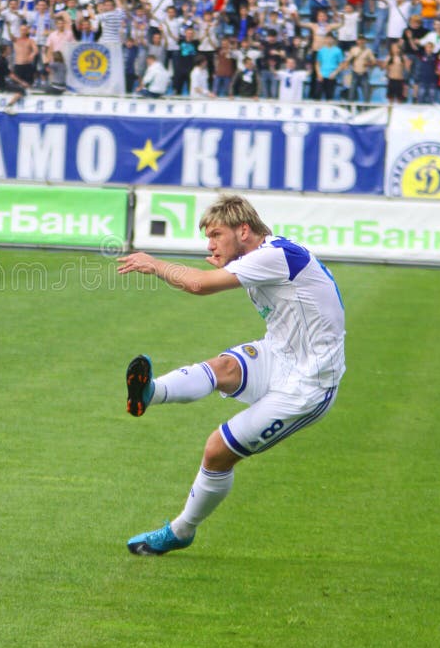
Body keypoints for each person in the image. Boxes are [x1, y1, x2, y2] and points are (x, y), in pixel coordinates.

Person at [116, 194, 345, 555]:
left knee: (217, 451)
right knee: (223, 367)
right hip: (280, 353)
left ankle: (181, 530)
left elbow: (199, 285)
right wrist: (226, 261)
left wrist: (154, 264)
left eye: (216, 235)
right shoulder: (263, 255)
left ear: (243, 230)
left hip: (309, 383)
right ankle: (149, 393)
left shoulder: (274, 256)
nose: (211, 245)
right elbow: (207, 279)